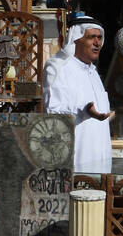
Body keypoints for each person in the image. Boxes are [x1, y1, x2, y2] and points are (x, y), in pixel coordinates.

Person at [42, 15, 113, 174]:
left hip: (100, 163)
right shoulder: (57, 68)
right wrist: (84, 109)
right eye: (91, 37)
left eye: (99, 38)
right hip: (74, 163)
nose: (97, 43)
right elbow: (52, 112)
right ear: (76, 39)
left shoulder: (93, 73)